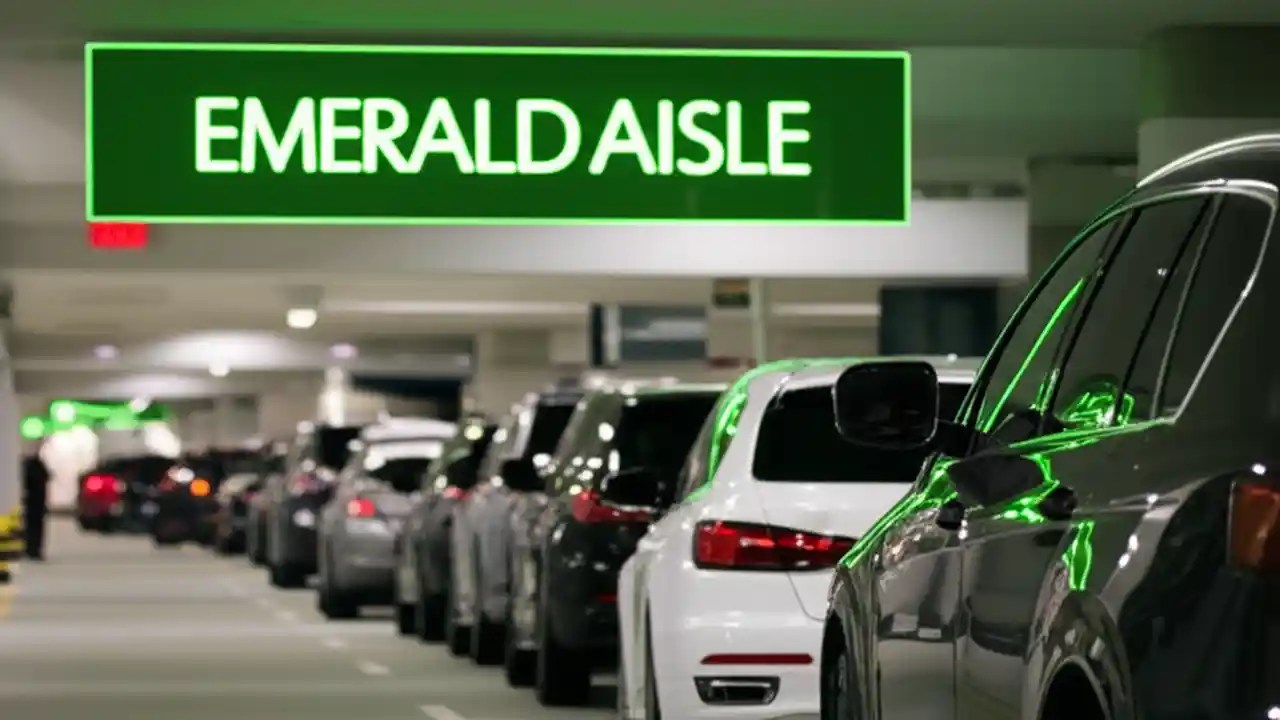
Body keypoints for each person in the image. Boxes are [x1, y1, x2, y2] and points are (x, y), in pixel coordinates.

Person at [21, 446, 50, 561]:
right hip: (37, 502)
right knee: (36, 527)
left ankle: (31, 549)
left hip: (32, 502)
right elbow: (47, 477)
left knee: (31, 526)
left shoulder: (27, 466)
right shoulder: (37, 466)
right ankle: (34, 549)